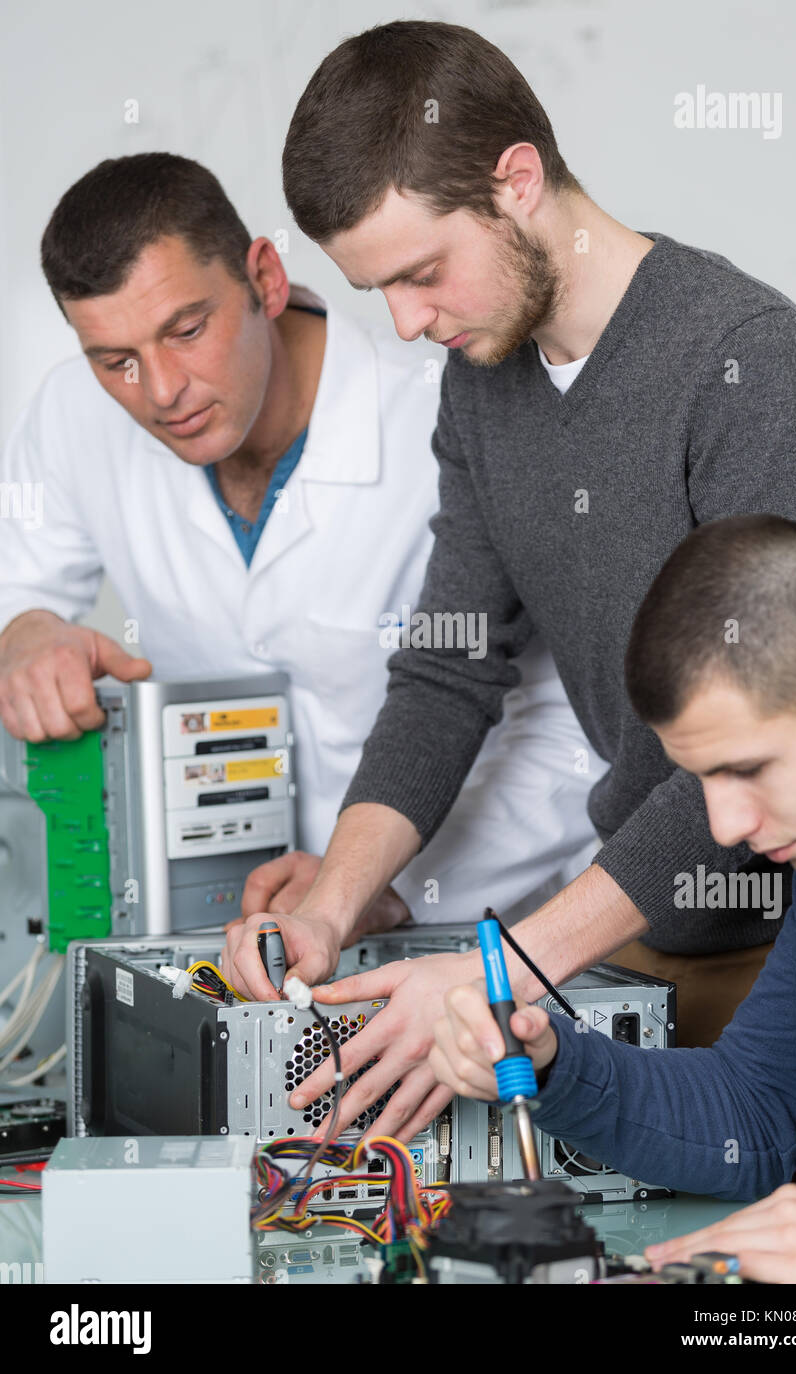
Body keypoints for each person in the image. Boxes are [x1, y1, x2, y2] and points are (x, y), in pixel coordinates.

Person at [221, 19, 796, 1207]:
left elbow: (782, 729)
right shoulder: (480, 389)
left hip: (794, 953)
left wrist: (503, 965)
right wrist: (331, 903)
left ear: (516, 182)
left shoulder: (747, 367)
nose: (405, 323)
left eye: (420, 272)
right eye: (378, 290)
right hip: (627, 946)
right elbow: (444, 671)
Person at [0, 152, 599, 935]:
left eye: (186, 330)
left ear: (265, 279)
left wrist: (385, 883)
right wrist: (24, 631)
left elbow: (571, 726)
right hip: (241, 936)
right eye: (116, 361)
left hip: (481, 925)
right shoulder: (73, 416)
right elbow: (22, 586)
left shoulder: (438, 417)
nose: (161, 391)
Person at [430, 515, 796, 1284]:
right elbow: (754, 1113)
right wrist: (554, 1064)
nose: (727, 826)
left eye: (749, 767)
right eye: (703, 780)